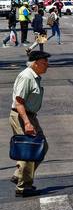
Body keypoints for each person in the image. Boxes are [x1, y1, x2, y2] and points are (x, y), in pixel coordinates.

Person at [9, 48, 49, 196]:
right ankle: (23, 187)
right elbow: (18, 102)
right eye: (44, 62)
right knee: (29, 151)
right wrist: (26, 122)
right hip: (22, 115)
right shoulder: (27, 77)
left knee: (42, 146)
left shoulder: (35, 76)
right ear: (36, 63)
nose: (47, 65)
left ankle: (20, 175)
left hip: (31, 116)